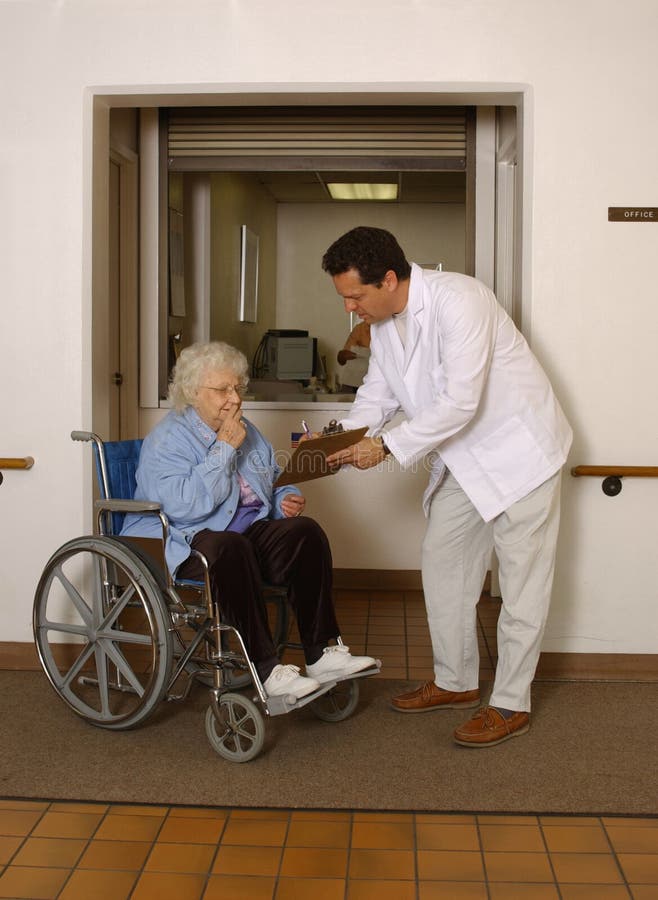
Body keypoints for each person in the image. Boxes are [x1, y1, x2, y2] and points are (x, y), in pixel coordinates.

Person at [321, 226, 572, 747]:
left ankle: (511, 703)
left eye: (355, 296)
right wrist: (335, 439)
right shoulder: (383, 325)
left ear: (389, 279)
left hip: (520, 455)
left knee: (522, 583)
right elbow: (377, 396)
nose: (349, 308)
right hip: (463, 459)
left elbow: (461, 401)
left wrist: (384, 447)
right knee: (443, 562)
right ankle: (456, 682)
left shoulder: (461, 299)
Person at [121, 340, 375, 701]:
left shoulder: (248, 431)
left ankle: (321, 654)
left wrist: (284, 499)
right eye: (222, 389)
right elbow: (183, 507)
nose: (235, 399)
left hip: (242, 539)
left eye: (238, 387)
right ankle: (267, 670)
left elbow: (272, 480)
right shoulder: (167, 441)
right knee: (230, 545)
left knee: (305, 532)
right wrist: (224, 449)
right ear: (192, 392)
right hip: (187, 541)